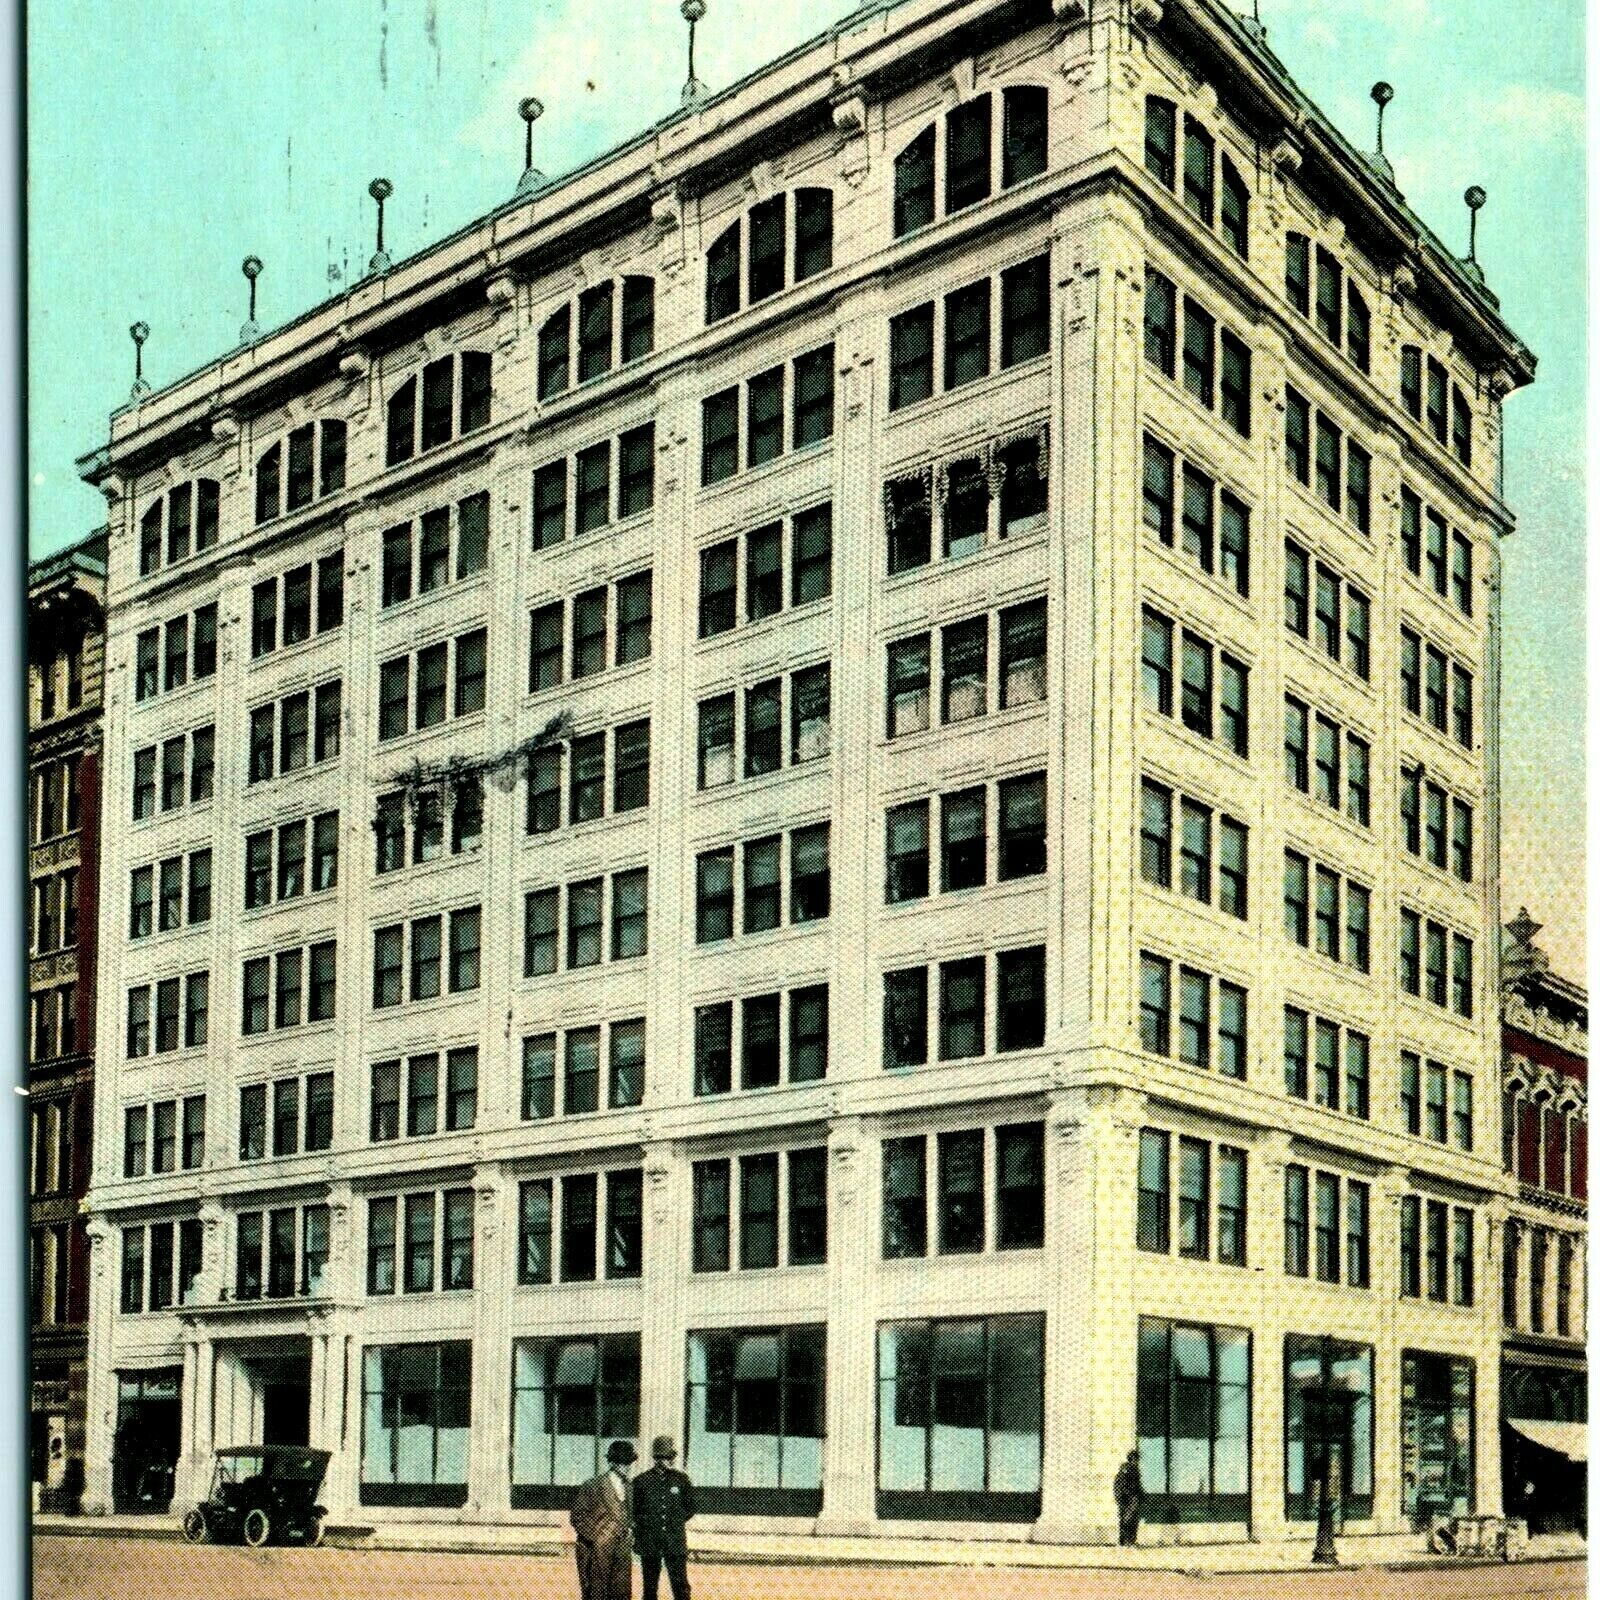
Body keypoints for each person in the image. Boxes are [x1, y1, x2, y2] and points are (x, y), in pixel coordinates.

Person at [632, 1436, 696, 1600]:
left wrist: (673, 1522)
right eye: (661, 1457)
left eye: (668, 1457)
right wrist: (647, 1526)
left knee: (680, 1585)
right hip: (650, 1541)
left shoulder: (681, 1480)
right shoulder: (641, 1481)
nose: (665, 1461)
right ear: (655, 1458)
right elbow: (634, 1511)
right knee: (650, 1587)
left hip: (674, 1541)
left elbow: (690, 1508)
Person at [571, 1440, 637, 1600]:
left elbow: (630, 1515)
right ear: (612, 1462)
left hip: (622, 1550)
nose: (626, 1466)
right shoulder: (593, 1485)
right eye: (622, 1461)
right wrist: (597, 1538)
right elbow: (577, 1516)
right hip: (597, 1552)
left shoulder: (629, 1487)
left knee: (621, 1594)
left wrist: (631, 1531)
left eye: (628, 1462)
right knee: (596, 1593)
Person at [1113, 1448, 1143, 1546]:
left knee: (1125, 1519)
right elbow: (1131, 1485)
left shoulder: (1125, 1469)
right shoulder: (1130, 1469)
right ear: (1132, 1458)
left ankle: (1124, 1541)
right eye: (1136, 1459)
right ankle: (1129, 1541)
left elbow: (1118, 1485)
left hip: (1124, 1498)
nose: (1137, 1461)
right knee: (1131, 1519)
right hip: (1129, 1498)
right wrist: (1134, 1496)